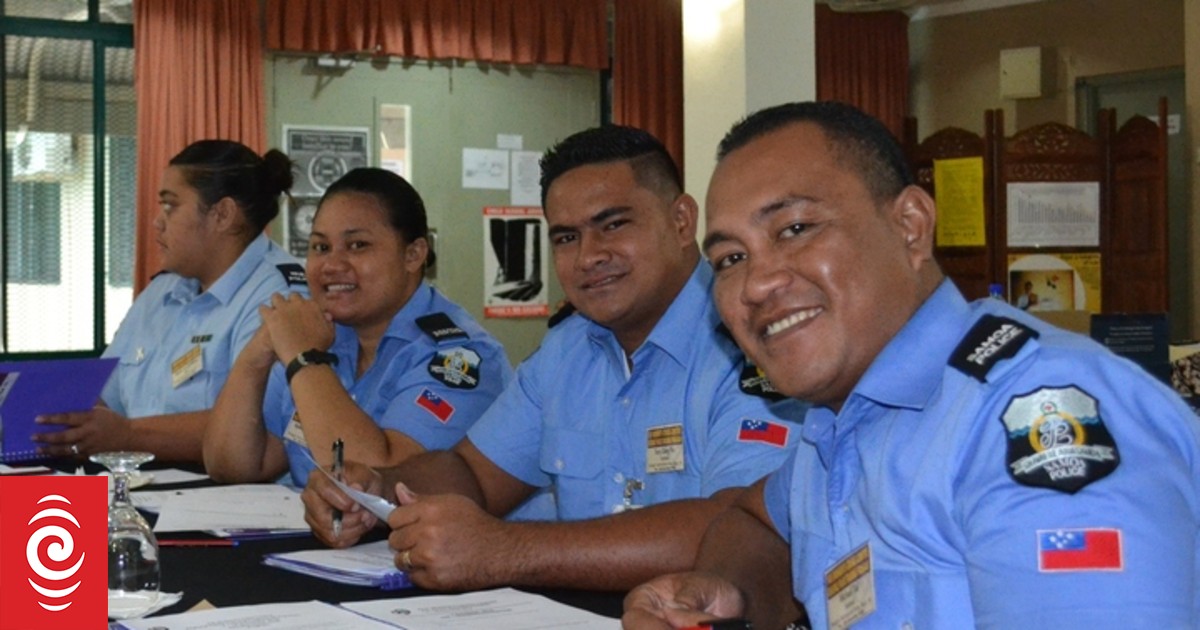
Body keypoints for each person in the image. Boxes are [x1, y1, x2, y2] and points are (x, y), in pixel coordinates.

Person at [622, 101, 1200, 629]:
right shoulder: (838, 422)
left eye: (796, 229)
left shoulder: (1031, 412)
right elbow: (753, 519)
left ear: (911, 226)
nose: (757, 282)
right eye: (730, 258)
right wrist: (727, 593)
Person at [301, 125, 807, 592]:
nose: (589, 256)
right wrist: (375, 490)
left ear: (680, 222)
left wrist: (507, 551)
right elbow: (474, 474)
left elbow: (737, 527)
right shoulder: (570, 349)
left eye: (612, 225)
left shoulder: (749, 334)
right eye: (567, 237)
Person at [204, 168, 512, 486]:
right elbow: (233, 466)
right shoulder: (324, 333)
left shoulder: (459, 356)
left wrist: (305, 357)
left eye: (358, 246)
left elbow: (378, 485)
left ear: (413, 254)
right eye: (321, 248)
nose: (332, 265)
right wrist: (258, 352)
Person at [33, 140, 307, 462]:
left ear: (222, 214)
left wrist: (128, 435)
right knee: (18, 506)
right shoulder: (161, 292)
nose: (157, 222)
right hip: (135, 488)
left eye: (170, 206)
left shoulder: (280, 299)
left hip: (225, 498)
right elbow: (105, 400)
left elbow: (262, 429)